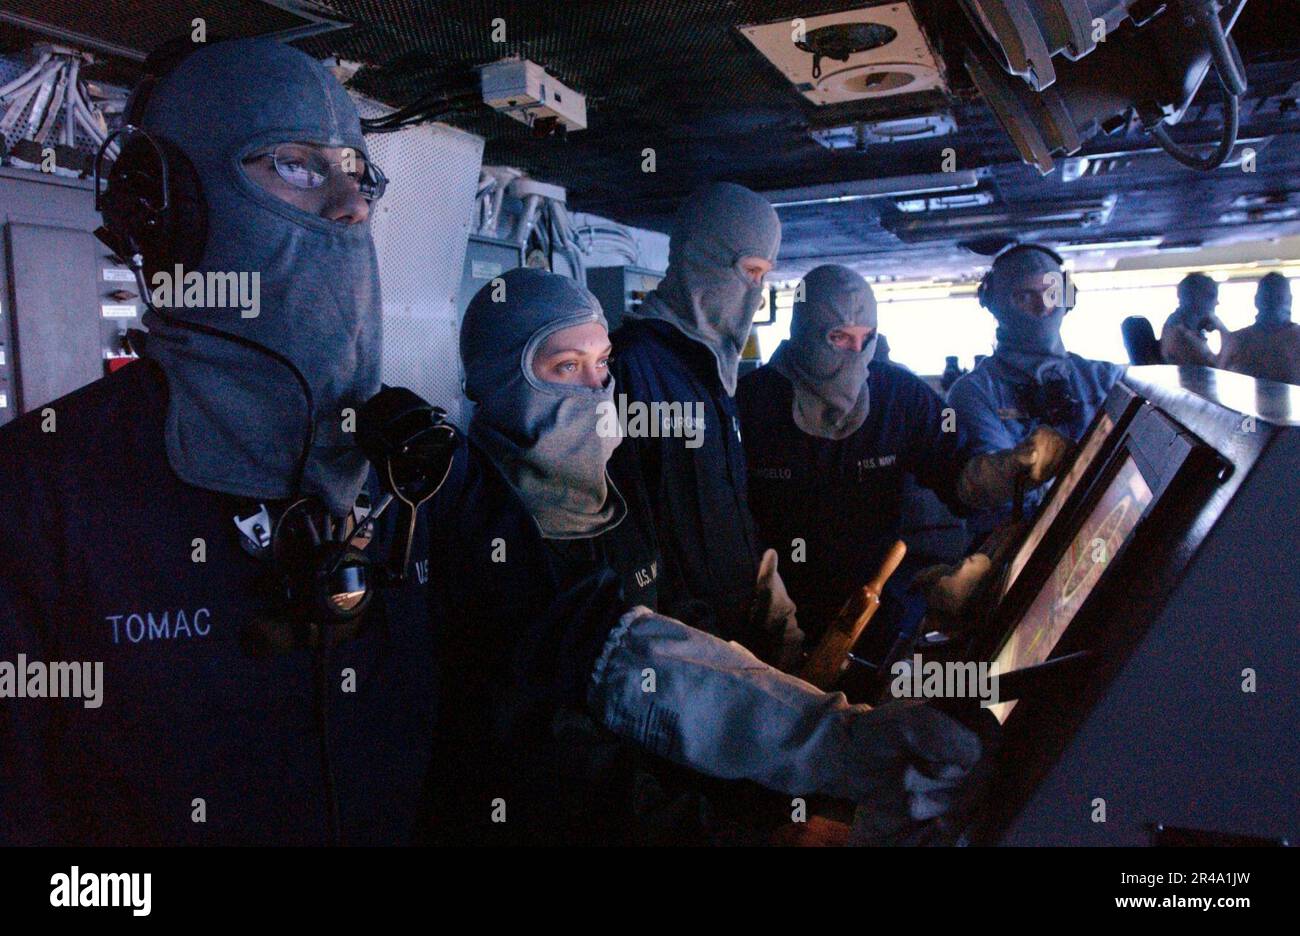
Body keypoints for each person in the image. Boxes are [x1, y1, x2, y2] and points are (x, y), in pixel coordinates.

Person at [0, 38, 440, 845]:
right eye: (299, 166)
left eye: (358, 172)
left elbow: (544, 683)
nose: (352, 205)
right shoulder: (34, 497)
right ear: (168, 206)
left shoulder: (413, 464)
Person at [425, 268, 982, 845]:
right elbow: (550, 754)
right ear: (496, 376)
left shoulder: (611, 493)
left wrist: (794, 730)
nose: (596, 392)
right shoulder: (472, 529)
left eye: (602, 365)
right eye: (566, 368)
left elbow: (673, 631)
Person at [736, 265, 978, 646]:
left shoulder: (899, 396)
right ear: (804, 331)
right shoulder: (748, 405)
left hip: (879, 609)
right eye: (839, 337)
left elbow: (960, 472)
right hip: (772, 616)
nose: (855, 352)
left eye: (865, 339)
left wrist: (1003, 473)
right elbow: (725, 527)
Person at [608, 181, 790, 655]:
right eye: (749, 271)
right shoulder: (631, 365)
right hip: (682, 641)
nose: (755, 293)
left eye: (764, 276)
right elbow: (626, 522)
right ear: (705, 259)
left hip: (738, 628)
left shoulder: (713, 369)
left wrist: (761, 578)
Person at [947, 244, 1123, 542]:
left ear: (1067, 299)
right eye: (1025, 296)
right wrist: (1020, 463)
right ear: (996, 303)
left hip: (1102, 532)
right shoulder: (972, 393)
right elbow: (980, 489)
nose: (1043, 307)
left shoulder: (1105, 378)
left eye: (1052, 294)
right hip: (1014, 546)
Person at [1219, 273, 1300, 384]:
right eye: (1268, 297)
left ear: (1289, 301)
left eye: (1279, 298)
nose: (1273, 303)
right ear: (1256, 300)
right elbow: (1220, 381)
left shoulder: (1237, 340)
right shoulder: (1237, 340)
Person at [1160, 272, 1225, 367]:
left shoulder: (1183, 325)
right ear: (1196, 298)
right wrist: (1221, 328)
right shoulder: (1181, 330)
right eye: (1212, 296)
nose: (1217, 302)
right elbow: (1220, 365)